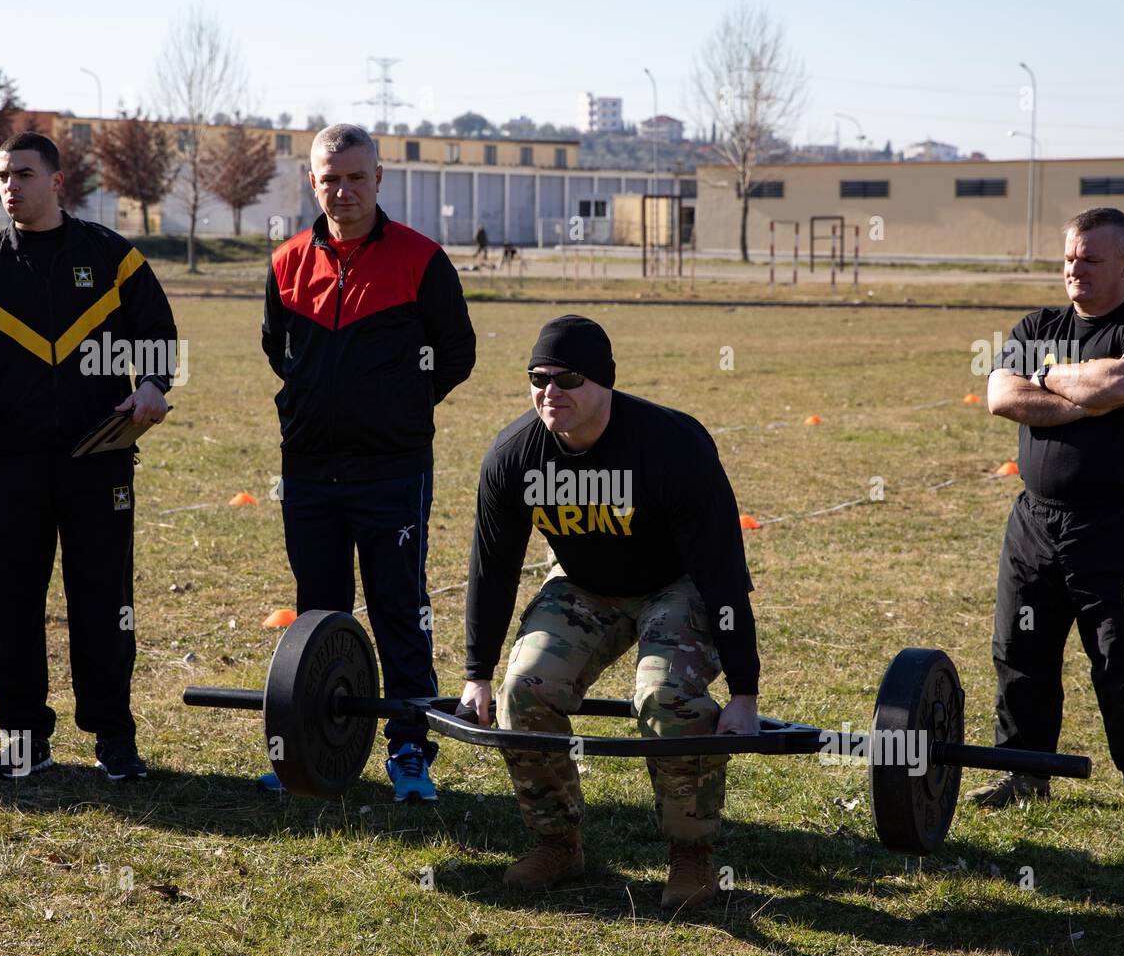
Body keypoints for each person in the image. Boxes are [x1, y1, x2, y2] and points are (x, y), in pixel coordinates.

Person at [457, 315, 759, 909]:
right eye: (538, 377)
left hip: (679, 584)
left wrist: (744, 692)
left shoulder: (673, 447)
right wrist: (478, 673)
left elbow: (722, 571)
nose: (551, 391)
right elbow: (490, 568)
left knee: (664, 695)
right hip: (585, 585)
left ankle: (691, 856)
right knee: (525, 689)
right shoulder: (514, 456)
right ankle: (558, 843)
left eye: (569, 378)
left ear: (606, 384)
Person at [0, 131, 176, 780]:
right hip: (6, 465)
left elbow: (156, 336)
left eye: (25, 174)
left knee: (102, 598)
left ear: (57, 181)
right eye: (4, 175)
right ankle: (23, 738)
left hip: (98, 459)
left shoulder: (113, 259)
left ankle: (113, 738)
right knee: (9, 604)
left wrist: (152, 385)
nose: (11, 186)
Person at [261, 124, 475, 802]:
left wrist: (398, 411)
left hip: (392, 473)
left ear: (379, 179)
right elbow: (279, 352)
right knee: (315, 614)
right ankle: (309, 747)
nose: (343, 190)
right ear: (312, 182)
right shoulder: (285, 262)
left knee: (398, 609)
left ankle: (410, 751)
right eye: (331, 179)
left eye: (356, 177)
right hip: (309, 475)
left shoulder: (421, 259)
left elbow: (457, 353)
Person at [971, 207, 1124, 827]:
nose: (1075, 269)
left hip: (1118, 526)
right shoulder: (1037, 324)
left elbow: (1120, 383)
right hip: (1036, 522)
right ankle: (1024, 769)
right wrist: (1079, 395)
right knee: (1020, 646)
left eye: (1090, 259)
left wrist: (1053, 381)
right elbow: (1000, 396)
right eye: (1069, 257)